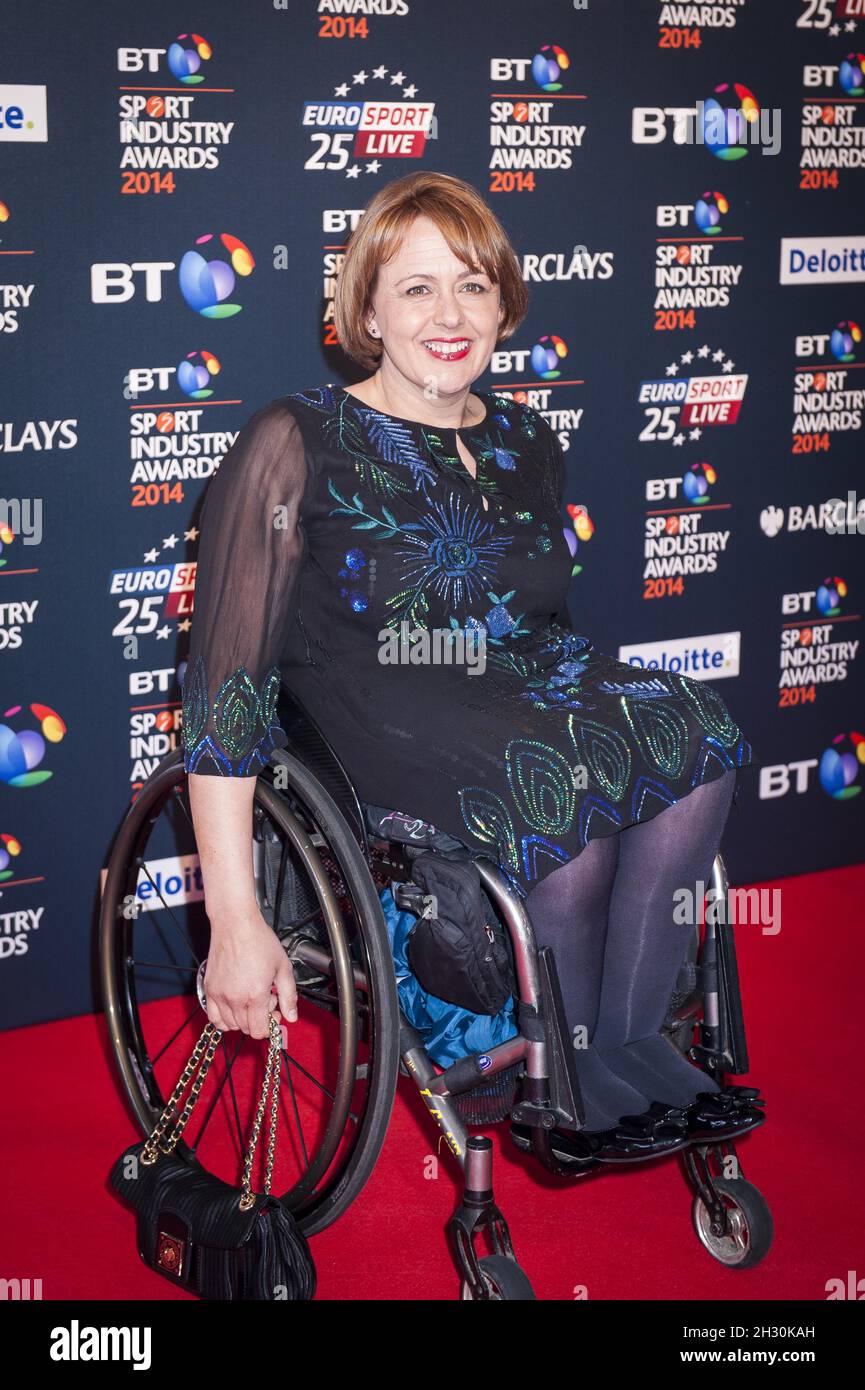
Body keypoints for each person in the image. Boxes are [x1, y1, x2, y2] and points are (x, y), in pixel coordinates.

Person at [181, 170, 763, 1163]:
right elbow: (224, 693)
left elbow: (546, 621)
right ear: (366, 307)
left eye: (472, 286)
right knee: (550, 777)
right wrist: (234, 919)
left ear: (504, 303)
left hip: (507, 684)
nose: (448, 316)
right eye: (416, 289)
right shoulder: (295, 439)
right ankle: (556, 1068)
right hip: (365, 694)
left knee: (693, 725)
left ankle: (624, 1041)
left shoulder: (526, 439)